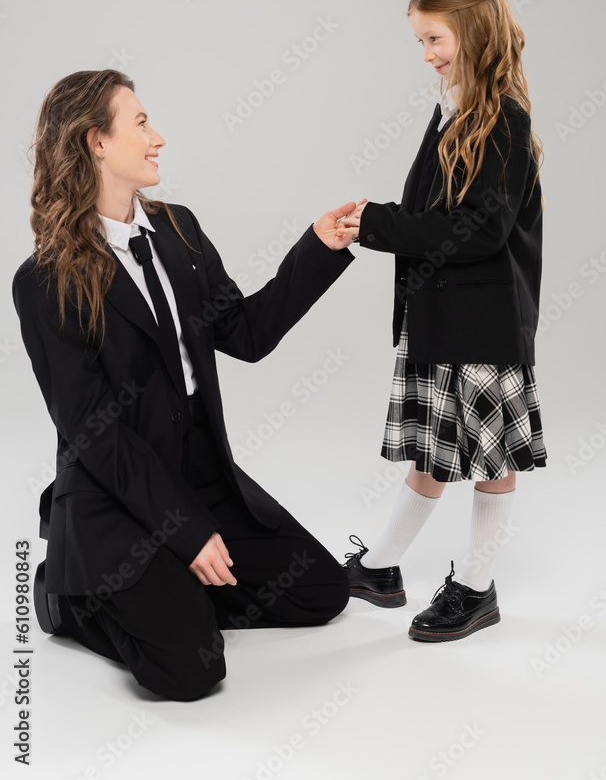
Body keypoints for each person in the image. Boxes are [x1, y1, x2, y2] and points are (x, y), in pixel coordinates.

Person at [12, 69, 361, 700]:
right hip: (115, 490)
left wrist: (318, 248)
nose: (158, 138)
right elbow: (94, 431)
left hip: (200, 472)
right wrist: (184, 532)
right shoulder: (44, 280)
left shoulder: (179, 231)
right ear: (96, 141)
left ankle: (169, 592)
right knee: (192, 669)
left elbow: (246, 334)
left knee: (320, 591)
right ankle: (67, 596)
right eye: (141, 123)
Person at [336, 0, 547, 643]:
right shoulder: (452, 112)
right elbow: (434, 210)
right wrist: (376, 218)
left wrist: (376, 222)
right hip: (442, 319)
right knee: (433, 454)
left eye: (434, 39)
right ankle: (379, 568)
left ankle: (476, 587)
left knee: (490, 462)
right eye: (420, 42)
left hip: (483, 325)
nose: (425, 55)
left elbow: (479, 229)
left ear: (474, 31)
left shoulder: (503, 122)